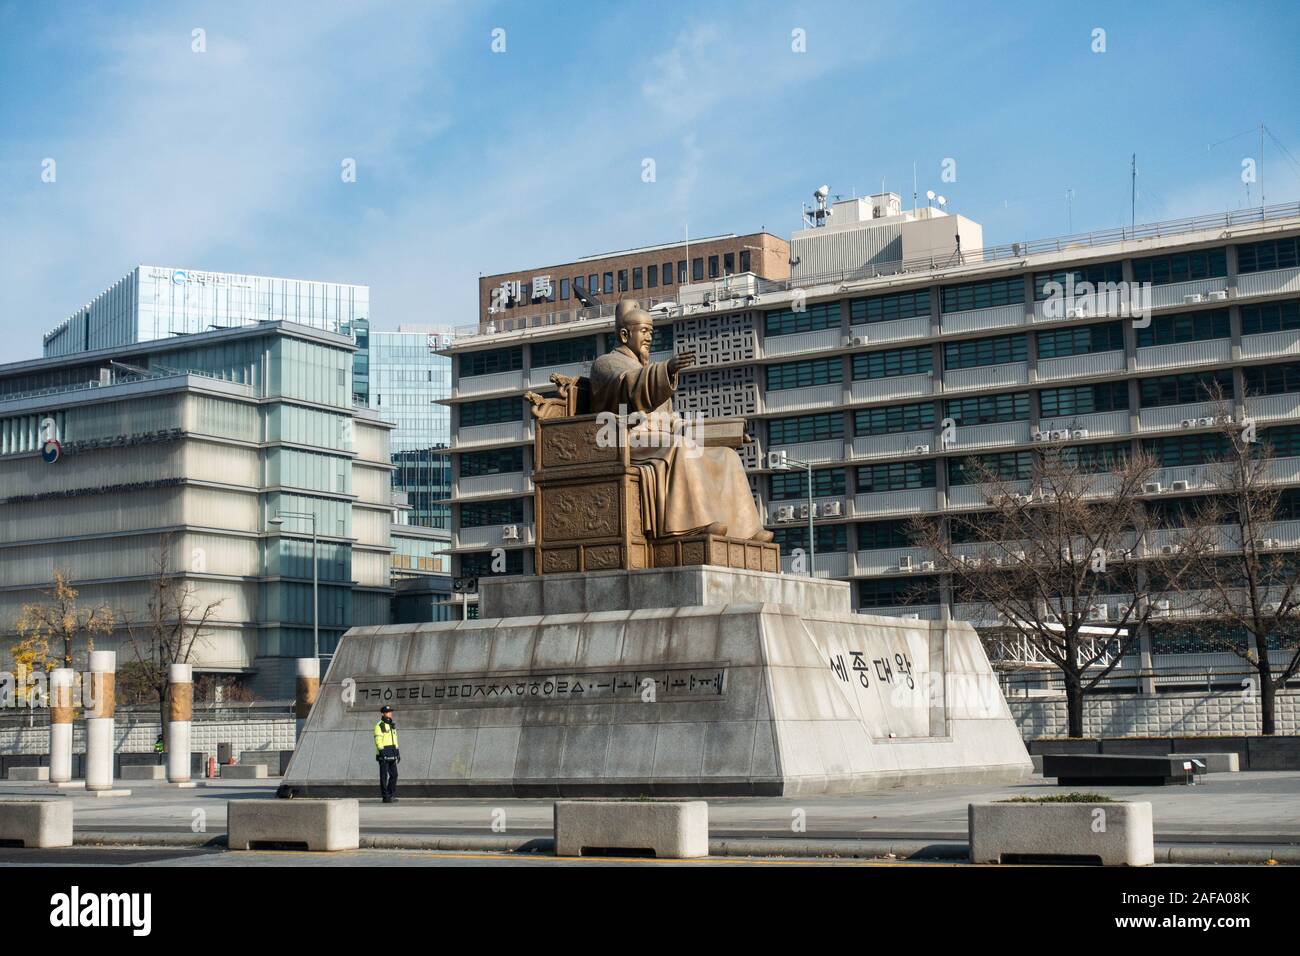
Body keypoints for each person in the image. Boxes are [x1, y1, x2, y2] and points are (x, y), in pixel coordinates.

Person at [588, 299, 772, 542]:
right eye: (643, 331)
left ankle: (746, 530)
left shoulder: (654, 372)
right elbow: (626, 386)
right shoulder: (606, 364)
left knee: (726, 455)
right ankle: (695, 525)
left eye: (651, 332)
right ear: (624, 334)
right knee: (681, 447)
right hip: (625, 438)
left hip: (662, 438)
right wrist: (665, 371)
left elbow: (673, 422)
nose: (649, 338)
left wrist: (722, 433)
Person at [373, 705, 400, 803]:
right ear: (383, 713)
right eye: (388, 712)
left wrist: (397, 752)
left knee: (395, 775)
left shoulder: (392, 725)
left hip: (392, 753)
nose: (390, 713)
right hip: (383, 755)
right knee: (384, 776)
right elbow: (378, 740)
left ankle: (390, 794)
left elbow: (395, 740)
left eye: (390, 712)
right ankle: (385, 796)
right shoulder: (379, 725)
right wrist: (382, 753)